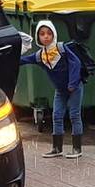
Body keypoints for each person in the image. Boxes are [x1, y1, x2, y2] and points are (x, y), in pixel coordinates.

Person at [20, 20, 84, 159]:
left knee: (74, 115)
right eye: (42, 34)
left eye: (49, 33)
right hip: (60, 90)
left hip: (74, 88)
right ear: (38, 37)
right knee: (56, 116)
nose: (46, 36)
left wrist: (73, 83)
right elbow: (23, 61)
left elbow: (76, 63)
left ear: (54, 34)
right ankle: (56, 148)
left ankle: (77, 148)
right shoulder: (39, 56)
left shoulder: (61, 49)